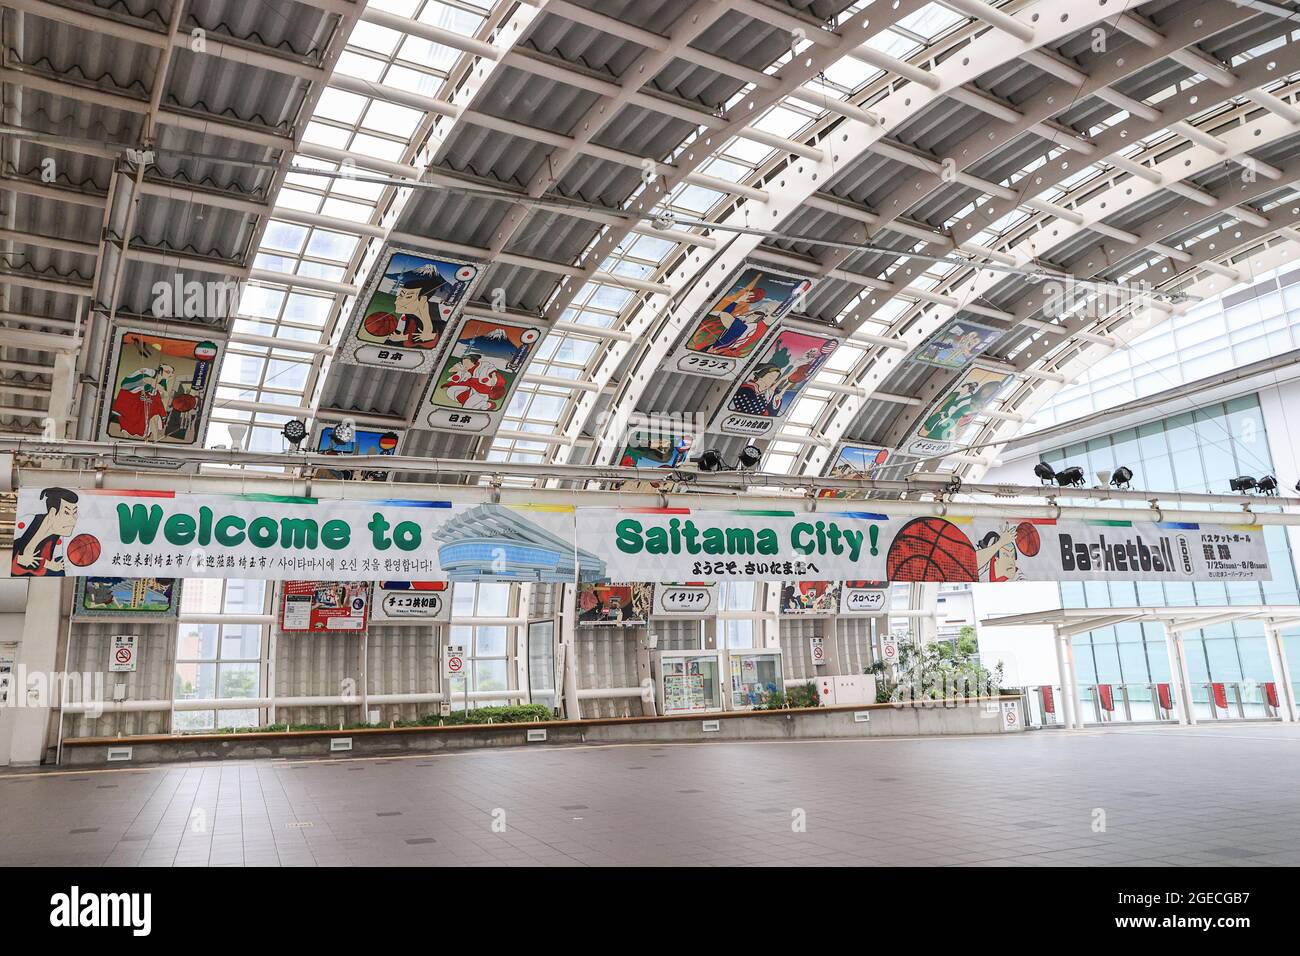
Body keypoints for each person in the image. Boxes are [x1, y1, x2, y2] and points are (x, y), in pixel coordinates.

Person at [366, 271, 451, 349]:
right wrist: (401, 338)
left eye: (408, 297)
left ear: (423, 300)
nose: (397, 301)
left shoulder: (441, 313)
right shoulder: (407, 317)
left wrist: (433, 337)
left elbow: (453, 334)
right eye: (400, 295)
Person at [12, 487, 79, 576]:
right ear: (52, 512)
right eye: (66, 513)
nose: (73, 520)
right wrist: (19, 559)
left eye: (75, 513)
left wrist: (49, 565)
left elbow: (40, 561)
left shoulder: (58, 537)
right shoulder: (26, 522)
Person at [109, 363, 175, 440]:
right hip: (129, 389)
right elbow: (146, 380)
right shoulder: (150, 372)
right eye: (168, 371)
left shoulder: (163, 380)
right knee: (127, 417)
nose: (170, 374)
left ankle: (155, 439)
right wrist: (159, 387)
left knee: (151, 415)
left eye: (172, 373)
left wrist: (162, 391)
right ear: (161, 368)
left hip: (140, 395)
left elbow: (162, 394)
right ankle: (125, 437)